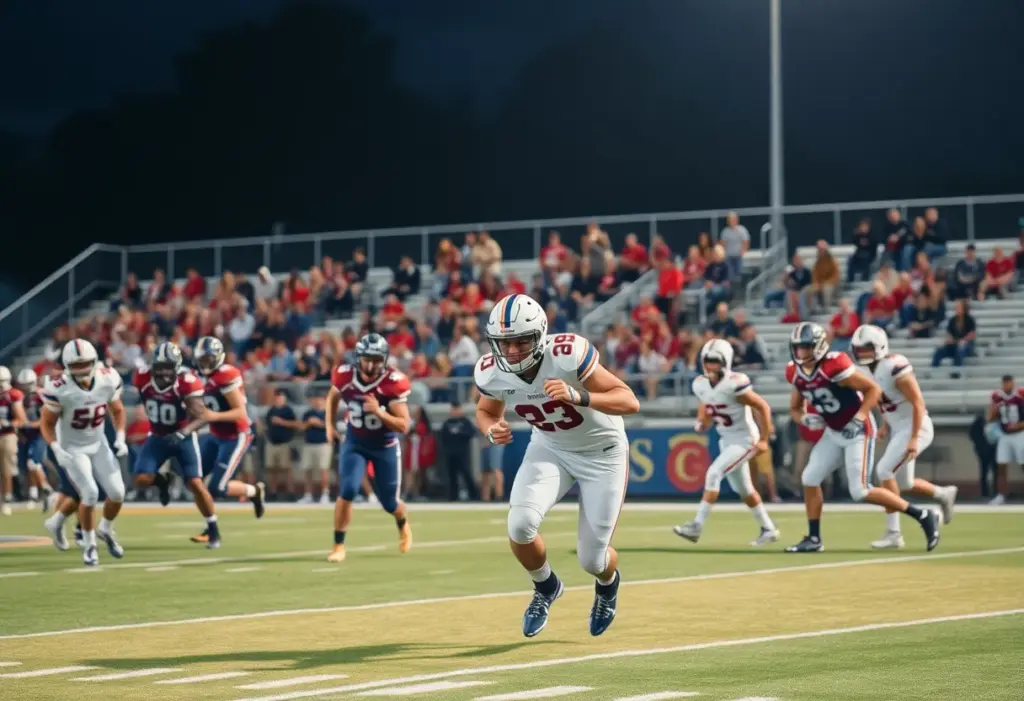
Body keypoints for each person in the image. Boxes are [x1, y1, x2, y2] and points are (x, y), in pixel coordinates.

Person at [474, 294, 640, 638]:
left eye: (522, 340)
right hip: (550, 448)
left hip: (603, 453)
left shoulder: (567, 356)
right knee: (519, 525)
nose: (514, 351)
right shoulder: (493, 372)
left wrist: (580, 395)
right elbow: (486, 411)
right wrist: (491, 429)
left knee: (592, 560)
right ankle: (546, 586)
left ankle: (607, 585)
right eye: (506, 343)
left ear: (540, 335)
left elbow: (629, 400)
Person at [783, 323, 939, 553]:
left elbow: (873, 390)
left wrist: (861, 415)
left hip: (858, 431)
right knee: (810, 477)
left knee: (861, 491)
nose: (800, 353)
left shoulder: (835, 365)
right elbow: (795, 408)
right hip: (834, 432)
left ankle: (922, 514)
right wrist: (804, 419)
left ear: (817, 347)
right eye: (797, 348)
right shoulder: (794, 372)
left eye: (805, 348)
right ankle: (814, 538)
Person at [850, 325, 958, 549]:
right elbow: (884, 401)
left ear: (879, 347)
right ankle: (943, 494)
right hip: (899, 428)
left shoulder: (893, 366)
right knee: (904, 483)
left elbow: (918, 403)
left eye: (867, 349)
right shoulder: (865, 371)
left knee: (884, 471)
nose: (862, 354)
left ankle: (894, 533)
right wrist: (885, 426)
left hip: (916, 427)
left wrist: (913, 438)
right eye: (858, 350)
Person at [672, 340, 779, 546]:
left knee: (714, 473)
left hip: (745, 439)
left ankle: (696, 526)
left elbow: (762, 406)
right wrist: (702, 421)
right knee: (745, 491)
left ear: (726, 362)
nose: (710, 366)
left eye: (715, 362)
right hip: (727, 440)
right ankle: (769, 528)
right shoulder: (700, 384)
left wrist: (764, 440)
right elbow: (706, 403)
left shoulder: (735, 383)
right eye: (708, 361)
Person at [38, 340, 129, 566]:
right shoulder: (59, 387)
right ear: (67, 366)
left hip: (98, 444)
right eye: (75, 365)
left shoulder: (108, 378)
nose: (81, 370)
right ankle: (89, 546)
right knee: (89, 493)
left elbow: (117, 410)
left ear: (95, 361)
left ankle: (105, 529)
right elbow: (46, 423)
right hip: (72, 448)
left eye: (85, 364)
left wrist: (120, 436)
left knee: (118, 493)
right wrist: (56, 447)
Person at [325, 333, 413, 562]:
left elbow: (404, 425)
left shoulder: (392, 382)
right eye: (367, 359)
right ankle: (338, 545)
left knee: (390, 502)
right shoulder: (344, 375)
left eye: (377, 359)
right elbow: (333, 396)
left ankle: (403, 523)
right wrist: (329, 426)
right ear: (358, 357)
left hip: (385, 446)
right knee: (348, 489)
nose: (372, 364)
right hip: (355, 442)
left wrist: (379, 412)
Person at [130, 342, 220, 543]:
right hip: (157, 436)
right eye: (159, 366)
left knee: (195, 483)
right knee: (140, 479)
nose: (162, 372)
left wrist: (183, 432)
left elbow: (203, 416)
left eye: (167, 367)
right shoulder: (143, 377)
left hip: (183, 438)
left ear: (177, 366)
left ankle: (213, 527)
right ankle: (162, 481)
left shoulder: (187, 382)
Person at [194, 336, 266, 544]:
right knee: (194, 478)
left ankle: (254, 491)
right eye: (202, 359)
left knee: (217, 488)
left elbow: (240, 413)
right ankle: (210, 526)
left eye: (209, 359)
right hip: (215, 435)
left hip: (236, 436)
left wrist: (211, 417)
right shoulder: (197, 375)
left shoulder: (226, 374)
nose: (205, 363)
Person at [15, 369, 55, 511]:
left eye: (28, 384)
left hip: (39, 434)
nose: (26, 388)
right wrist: (19, 431)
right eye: (24, 385)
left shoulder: (41, 396)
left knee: (33, 463)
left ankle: (47, 489)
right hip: (25, 435)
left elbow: (47, 419)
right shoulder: (18, 397)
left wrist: (31, 424)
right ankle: (34, 493)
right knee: (27, 466)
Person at [986, 375, 1024, 505]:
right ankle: (1001, 495)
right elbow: (990, 418)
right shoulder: (998, 397)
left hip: (1020, 434)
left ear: (1013, 383)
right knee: (1001, 465)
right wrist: (994, 408)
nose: (1006, 385)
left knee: (1023, 464)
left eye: (1008, 382)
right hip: (1004, 435)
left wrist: (1019, 425)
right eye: (1004, 383)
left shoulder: (1020, 395)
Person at [440, 401, 477, 501]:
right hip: (450, 454)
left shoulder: (465, 422)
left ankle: (474, 495)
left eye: (457, 409)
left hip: (462, 453)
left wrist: (459, 433)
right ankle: (453, 496)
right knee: (452, 476)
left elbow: (471, 433)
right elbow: (443, 437)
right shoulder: (447, 423)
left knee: (466, 473)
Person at [299, 394, 332, 504]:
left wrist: (318, 423)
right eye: (315, 400)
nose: (317, 402)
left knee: (323, 470)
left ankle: (325, 494)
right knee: (307, 470)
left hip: (323, 444)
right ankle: (308, 494)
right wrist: (308, 423)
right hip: (309, 444)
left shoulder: (328, 412)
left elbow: (332, 428)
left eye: (319, 399)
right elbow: (301, 427)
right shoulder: (308, 413)